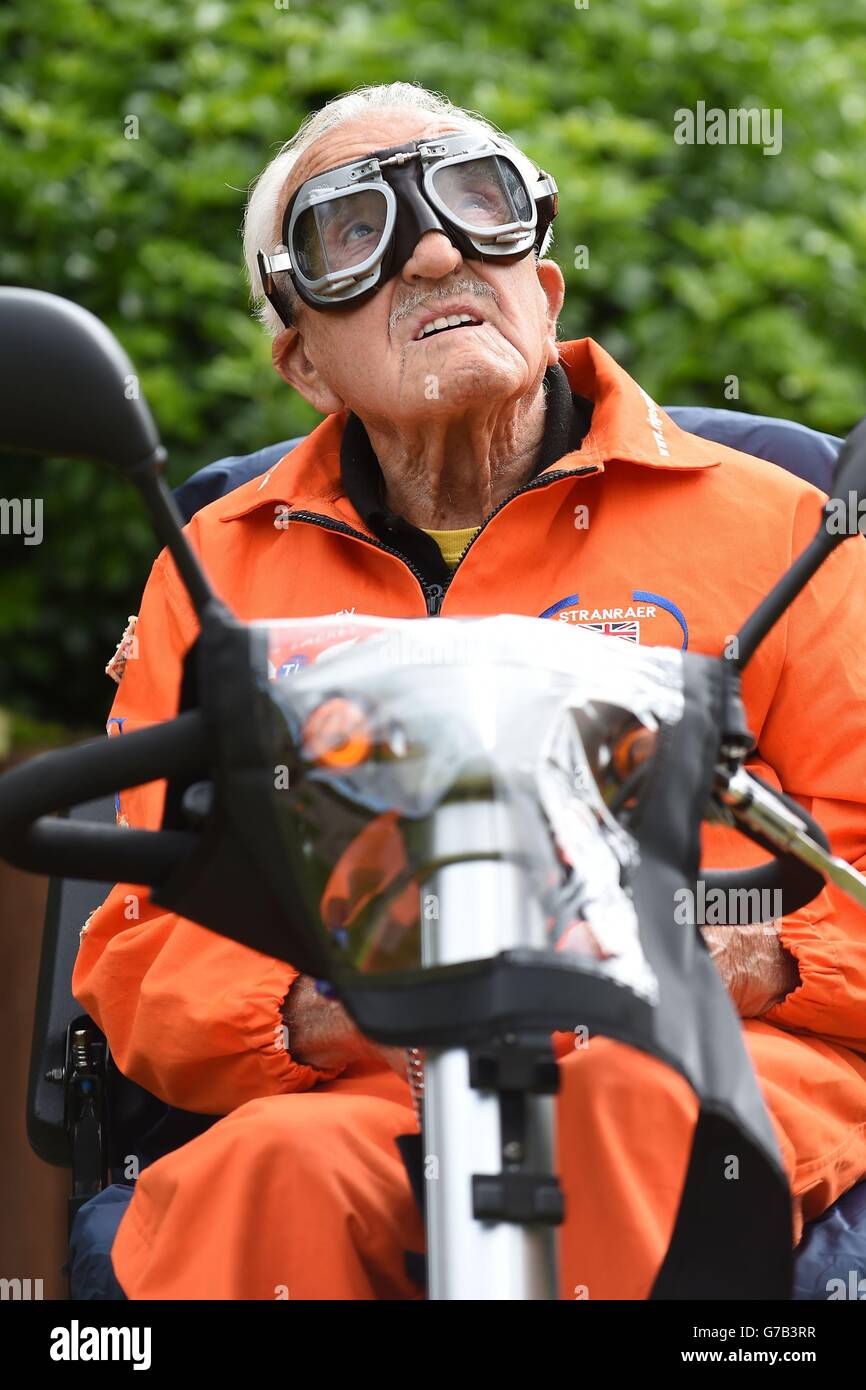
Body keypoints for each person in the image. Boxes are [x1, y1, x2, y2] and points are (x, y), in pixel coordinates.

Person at [73, 81, 866, 1300]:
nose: (436, 247)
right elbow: (142, 941)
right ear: (302, 357)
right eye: (355, 233)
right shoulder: (215, 568)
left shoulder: (789, 527)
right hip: (364, 1091)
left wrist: (747, 955)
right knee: (260, 1178)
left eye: (475, 202)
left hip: (711, 1064)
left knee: (618, 1105)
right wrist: (325, 1010)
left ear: (538, 290)